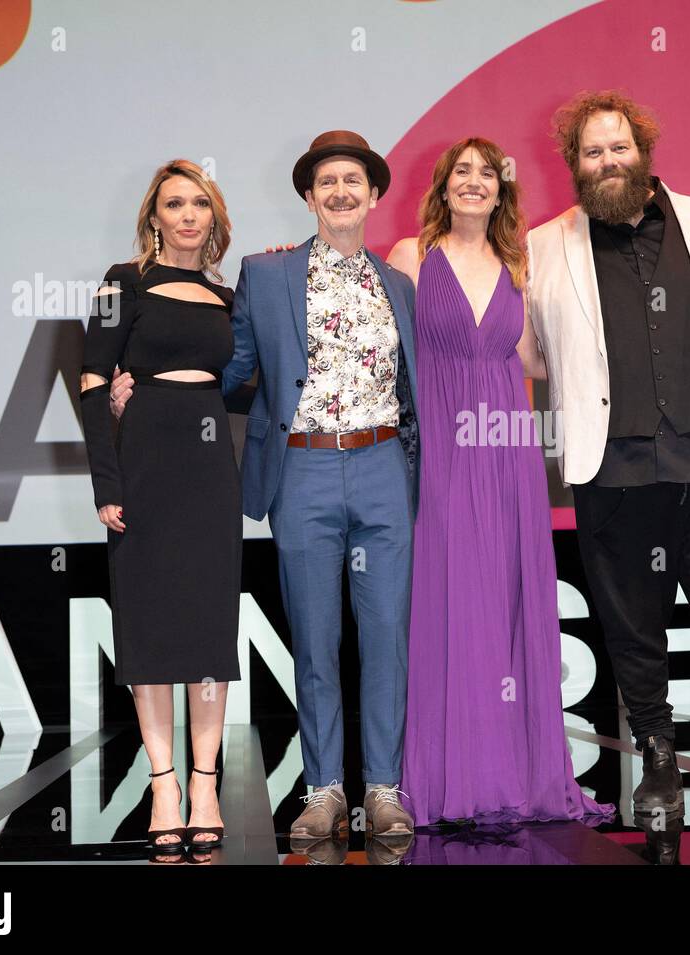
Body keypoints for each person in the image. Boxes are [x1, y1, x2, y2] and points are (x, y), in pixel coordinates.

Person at [115, 131, 420, 841]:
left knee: (385, 637)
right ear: (310, 198)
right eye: (327, 182)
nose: (341, 191)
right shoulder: (267, 274)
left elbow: (414, 391)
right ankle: (323, 791)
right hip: (304, 470)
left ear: (374, 194)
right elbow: (231, 368)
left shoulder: (399, 286)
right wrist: (152, 392)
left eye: (354, 180)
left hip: (382, 468)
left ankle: (382, 787)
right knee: (313, 641)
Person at [526, 90, 690, 818]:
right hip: (612, 471)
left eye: (619, 147)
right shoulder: (545, 246)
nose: (608, 161)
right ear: (574, 165)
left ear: (643, 151)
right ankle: (659, 759)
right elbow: (530, 354)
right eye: (592, 151)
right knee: (632, 626)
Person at [386, 137, 615, 826]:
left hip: (508, 449)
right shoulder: (408, 257)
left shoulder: (520, 265)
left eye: (487, 174)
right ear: (443, 185)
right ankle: (449, 778)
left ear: (501, 191)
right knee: (452, 601)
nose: (475, 182)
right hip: (443, 447)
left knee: (507, 601)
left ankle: (517, 774)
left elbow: (538, 360)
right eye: (463, 171)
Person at [78, 159, 239, 855]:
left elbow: (240, 387)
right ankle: (164, 785)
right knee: (147, 630)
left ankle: (206, 784)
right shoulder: (123, 281)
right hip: (144, 462)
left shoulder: (225, 293)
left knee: (207, 632)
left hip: (209, 469)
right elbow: (91, 379)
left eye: (199, 203)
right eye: (174, 203)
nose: (187, 214)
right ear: (154, 217)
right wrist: (106, 481)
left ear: (214, 217)